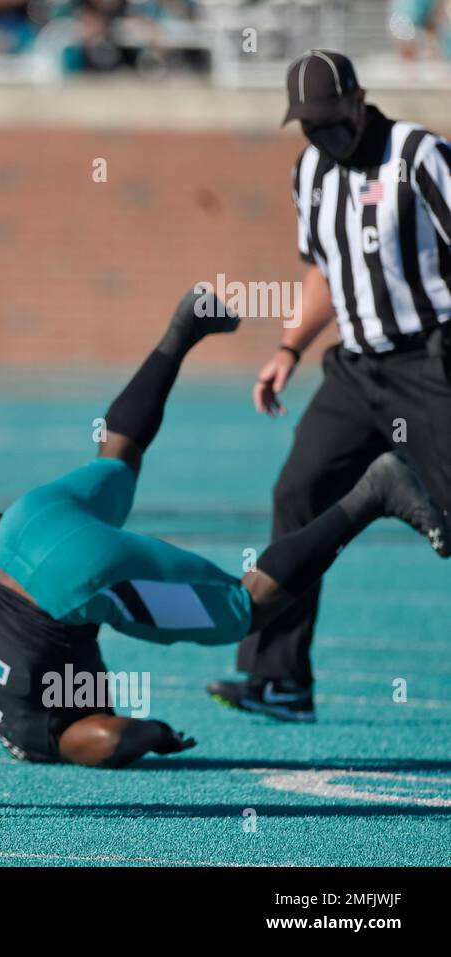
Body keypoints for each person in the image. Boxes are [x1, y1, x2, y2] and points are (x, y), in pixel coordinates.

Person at [0, 290, 448, 767]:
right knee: (117, 458)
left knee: (243, 609)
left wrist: (153, 734)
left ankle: (374, 492)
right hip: (27, 524)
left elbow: (110, 738)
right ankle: (181, 334)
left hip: (78, 581)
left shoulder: (39, 735)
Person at [209, 50, 451, 721]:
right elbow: (324, 270)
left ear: (359, 99)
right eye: (310, 126)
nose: (324, 137)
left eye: (332, 122)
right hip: (357, 369)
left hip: (431, 366)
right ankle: (280, 677)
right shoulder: (311, 171)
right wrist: (289, 345)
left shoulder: (418, 154)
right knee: (299, 489)